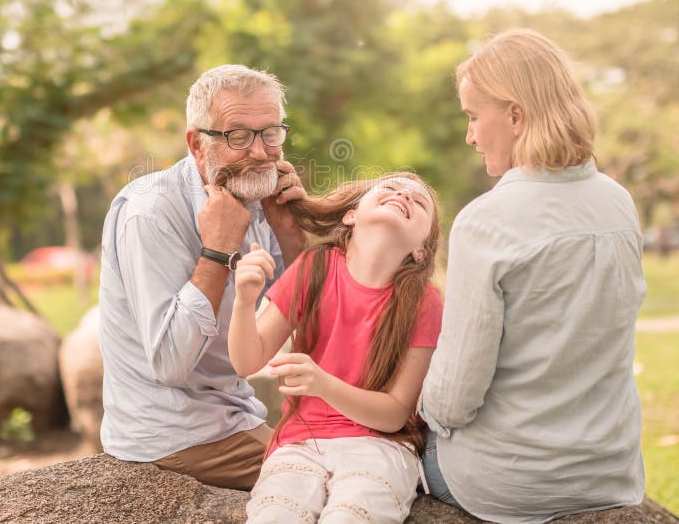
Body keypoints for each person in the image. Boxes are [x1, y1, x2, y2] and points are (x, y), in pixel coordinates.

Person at [419, 29, 646, 523]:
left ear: (516, 116)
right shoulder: (618, 202)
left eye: (474, 117)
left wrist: (415, 412)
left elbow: (455, 399)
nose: (470, 135)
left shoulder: (486, 220)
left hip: (510, 484)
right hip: (608, 474)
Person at [97, 64, 308, 490]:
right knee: (327, 476)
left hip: (233, 413)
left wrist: (290, 234)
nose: (261, 151)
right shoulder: (150, 211)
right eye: (238, 136)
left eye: (271, 133)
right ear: (197, 144)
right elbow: (170, 365)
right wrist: (216, 251)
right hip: (177, 433)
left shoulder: (251, 197)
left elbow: (301, 316)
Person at [229, 172, 444, 523]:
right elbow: (246, 361)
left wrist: (323, 384)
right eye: (390, 187)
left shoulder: (424, 302)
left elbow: (393, 414)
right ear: (352, 215)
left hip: (381, 446)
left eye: (419, 202)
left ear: (420, 250)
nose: (403, 194)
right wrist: (243, 300)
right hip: (302, 442)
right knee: (275, 514)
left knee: (351, 515)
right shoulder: (316, 267)